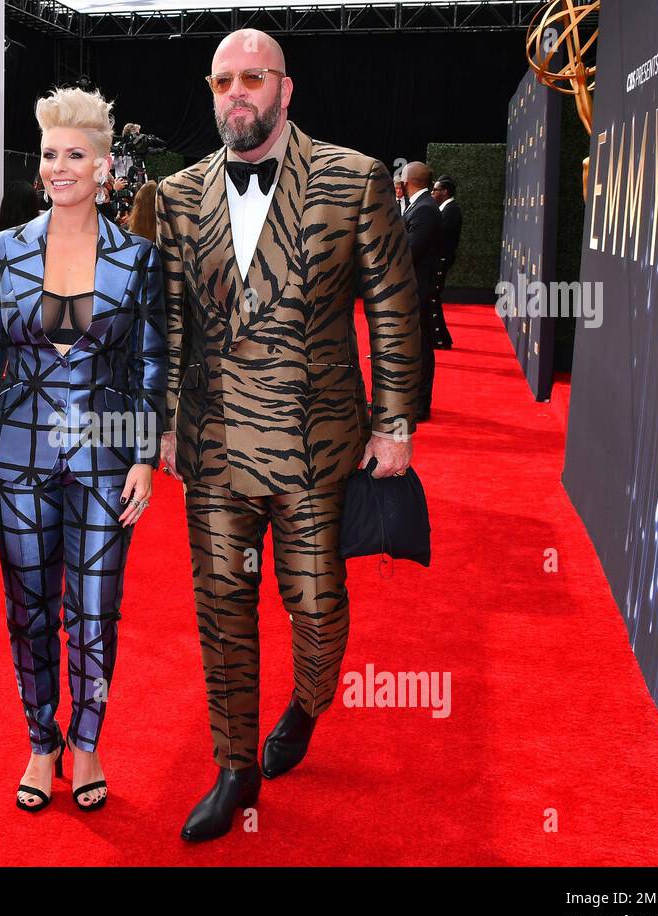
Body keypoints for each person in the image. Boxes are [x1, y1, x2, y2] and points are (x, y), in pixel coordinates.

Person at [155, 28, 421, 842]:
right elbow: (167, 323)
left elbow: (393, 308)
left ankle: (308, 702)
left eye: (254, 78)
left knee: (316, 609)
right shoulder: (174, 195)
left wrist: (396, 422)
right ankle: (234, 766)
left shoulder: (353, 179)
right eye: (224, 80)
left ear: (285, 89)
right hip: (214, 445)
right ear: (212, 90)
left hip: (316, 447)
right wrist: (162, 424)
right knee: (222, 611)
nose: (238, 92)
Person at [0, 86, 167, 814]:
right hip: (16, 457)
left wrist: (144, 454)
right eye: (49, 155)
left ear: (104, 167)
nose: (59, 168)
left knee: (97, 611)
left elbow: (149, 363)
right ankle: (42, 743)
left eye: (76, 155)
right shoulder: (5, 251)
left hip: (106, 456)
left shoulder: (138, 259)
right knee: (30, 608)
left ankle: (88, 742)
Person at [401, 161, 442, 420]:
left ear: (407, 182)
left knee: (421, 347)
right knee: (415, 346)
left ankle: (421, 404)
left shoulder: (425, 209)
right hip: (416, 288)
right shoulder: (422, 205)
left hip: (419, 290)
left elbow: (410, 249)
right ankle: (413, 401)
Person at [429, 176, 462, 349]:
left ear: (445, 192)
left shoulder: (451, 210)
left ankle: (440, 339)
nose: (432, 192)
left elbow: (440, 236)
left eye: (435, 189)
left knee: (433, 297)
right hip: (439, 258)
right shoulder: (445, 209)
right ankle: (440, 337)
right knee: (432, 297)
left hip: (441, 259)